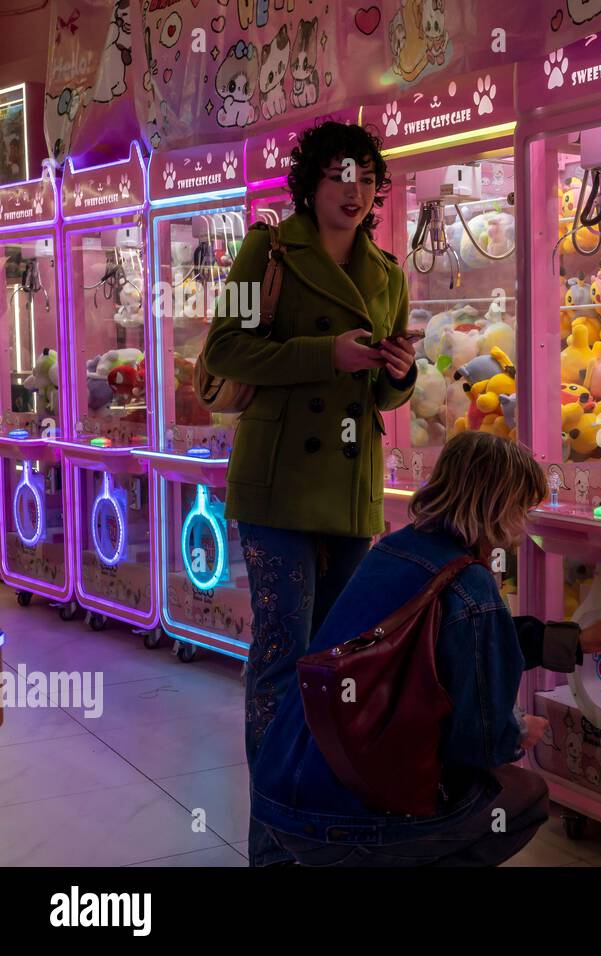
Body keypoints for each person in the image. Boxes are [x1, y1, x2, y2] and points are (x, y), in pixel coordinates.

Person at [249, 432, 601, 866]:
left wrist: (575, 640)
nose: (521, 528)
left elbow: (456, 638)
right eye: (520, 509)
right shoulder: (470, 582)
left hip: (278, 791)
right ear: (497, 506)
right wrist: (516, 734)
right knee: (524, 798)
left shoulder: (397, 548)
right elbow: (481, 743)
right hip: (341, 820)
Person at [200, 121, 418, 866]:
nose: (353, 191)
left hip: (350, 487)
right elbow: (228, 349)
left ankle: (320, 828)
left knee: (337, 666)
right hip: (278, 488)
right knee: (281, 656)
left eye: (365, 179)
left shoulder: (386, 274)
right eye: (338, 175)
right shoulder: (273, 252)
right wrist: (326, 352)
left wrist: (396, 372)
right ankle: (272, 844)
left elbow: (389, 395)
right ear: (310, 182)